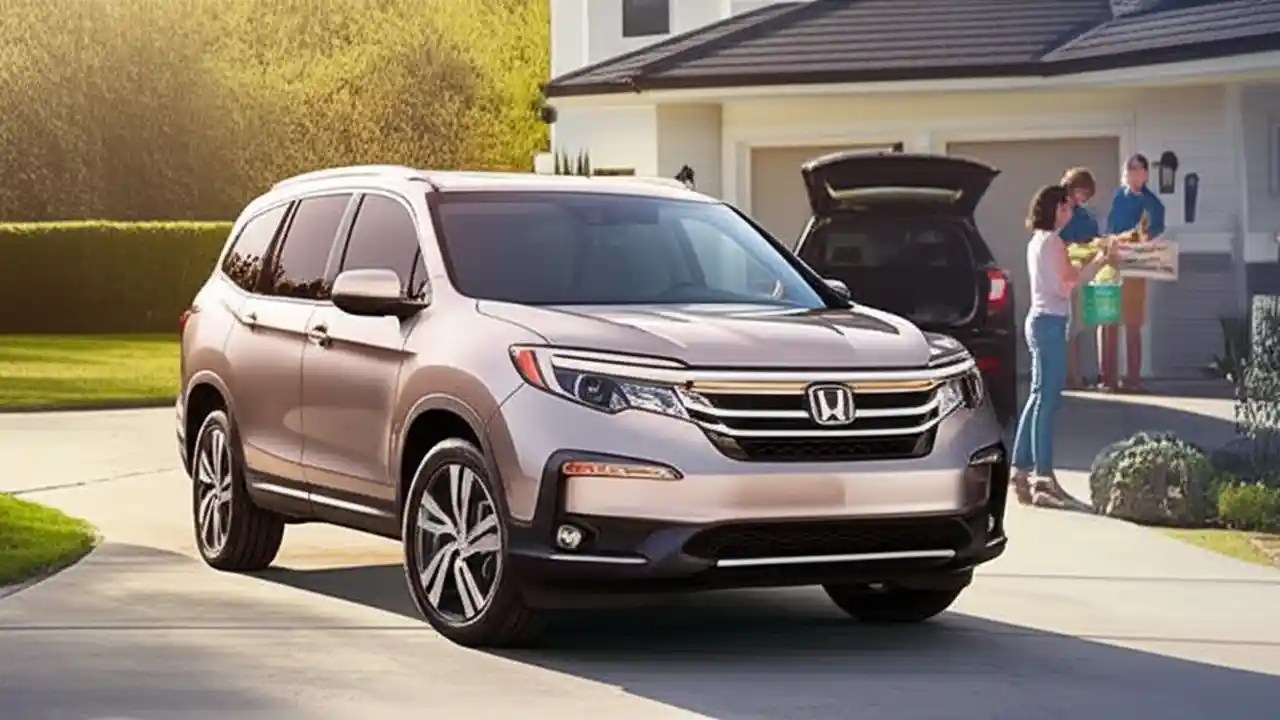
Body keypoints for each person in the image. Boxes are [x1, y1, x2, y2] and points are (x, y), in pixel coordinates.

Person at [1010, 185, 1117, 507]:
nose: (1071, 212)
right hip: (1049, 325)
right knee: (1048, 399)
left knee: (1038, 396)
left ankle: (1020, 470)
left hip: (1041, 322)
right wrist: (1101, 259)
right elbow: (1067, 283)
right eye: (1067, 207)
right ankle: (1043, 477)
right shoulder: (1053, 242)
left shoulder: (1037, 242)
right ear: (1055, 209)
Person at [1098, 153, 1166, 393]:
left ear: (1145, 174)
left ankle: (1133, 379)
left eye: (1137, 170)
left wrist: (1141, 239)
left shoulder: (1152, 203)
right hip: (1113, 262)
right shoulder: (1119, 196)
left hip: (1136, 264)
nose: (1132, 173)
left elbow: (1154, 232)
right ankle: (1108, 378)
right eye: (1129, 169)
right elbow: (1109, 227)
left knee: (1133, 323)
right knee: (1109, 321)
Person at [1058, 167, 1101, 390]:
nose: (1083, 198)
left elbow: (1095, 240)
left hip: (1084, 274)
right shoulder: (1060, 212)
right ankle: (1072, 376)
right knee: (1069, 327)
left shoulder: (1085, 216)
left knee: (1080, 326)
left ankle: (1080, 374)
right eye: (1082, 192)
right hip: (1064, 276)